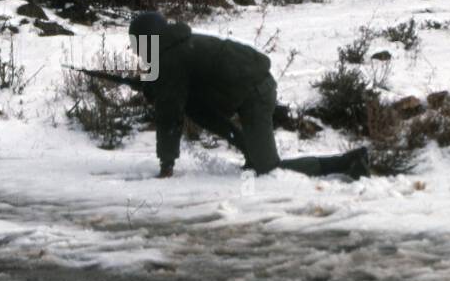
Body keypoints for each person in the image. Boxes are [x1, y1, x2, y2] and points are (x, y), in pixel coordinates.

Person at [127, 11, 369, 180]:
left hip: (255, 93)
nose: (136, 50)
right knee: (192, 105)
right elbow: (182, 94)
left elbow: (169, 114)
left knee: (268, 168)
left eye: (138, 43)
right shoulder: (175, 49)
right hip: (249, 88)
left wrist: (166, 165)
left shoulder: (171, 58)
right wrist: (153, 86)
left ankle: (347, 163)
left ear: (150, 39)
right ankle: (247, 148)